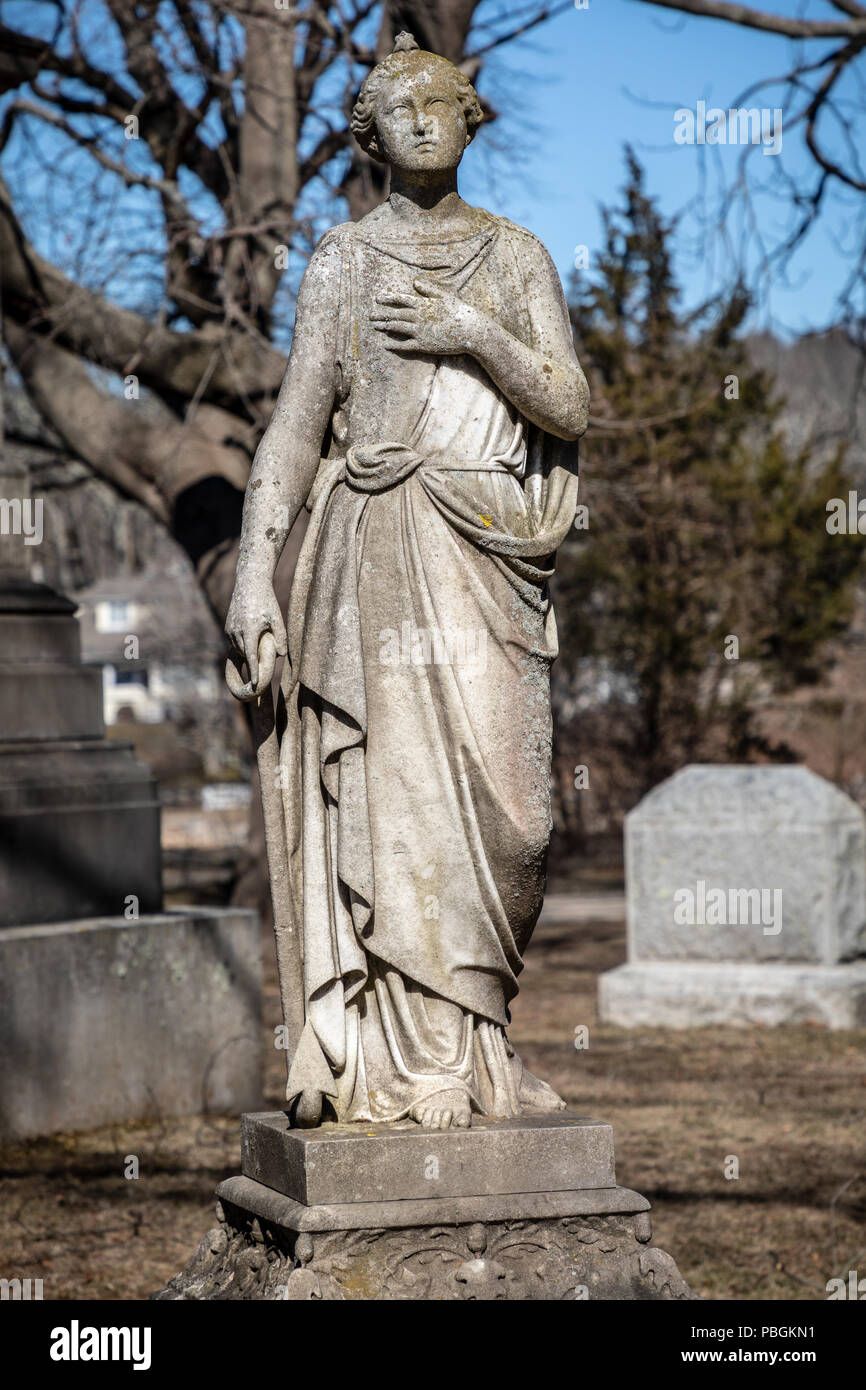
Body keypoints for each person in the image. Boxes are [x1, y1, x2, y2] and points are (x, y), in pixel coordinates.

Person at [225, 33, 589, 1131]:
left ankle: (481, 1044)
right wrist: (254, 572)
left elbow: (567, 407)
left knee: (517, 824)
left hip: (487, 554)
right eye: (400, 106)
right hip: (376, 549)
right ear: (368, 134)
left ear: (469, 118)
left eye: (441, 99)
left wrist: (467, 332)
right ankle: (402, 1065)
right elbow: (293, 431)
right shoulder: (341, 259)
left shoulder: (515, 256)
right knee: (385, 808)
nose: (424, 116)